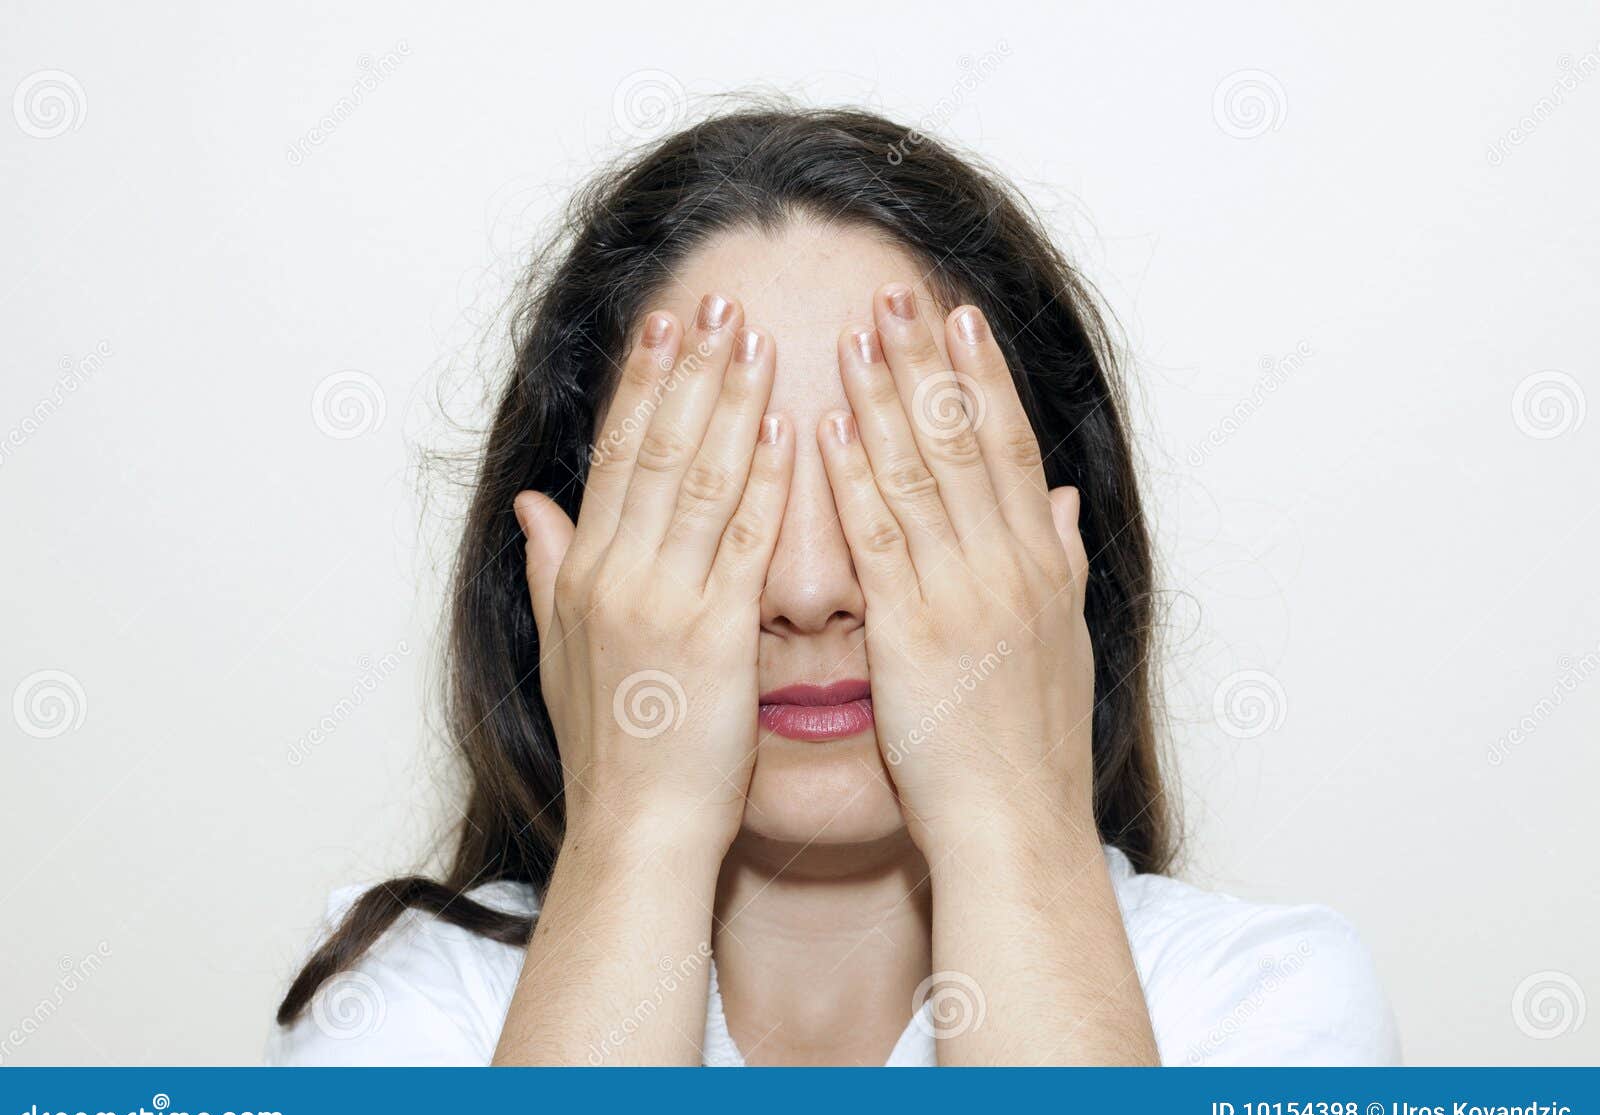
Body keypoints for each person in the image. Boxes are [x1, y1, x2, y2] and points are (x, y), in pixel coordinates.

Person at [269, 105, 1399, 1066]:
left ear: (1053, 559)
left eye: (895, 488)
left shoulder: (1264, 1000)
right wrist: (642, 826)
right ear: (563, 574)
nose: (809, 590)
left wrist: (1011, 819)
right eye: (718, 492)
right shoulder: (412, 1003)